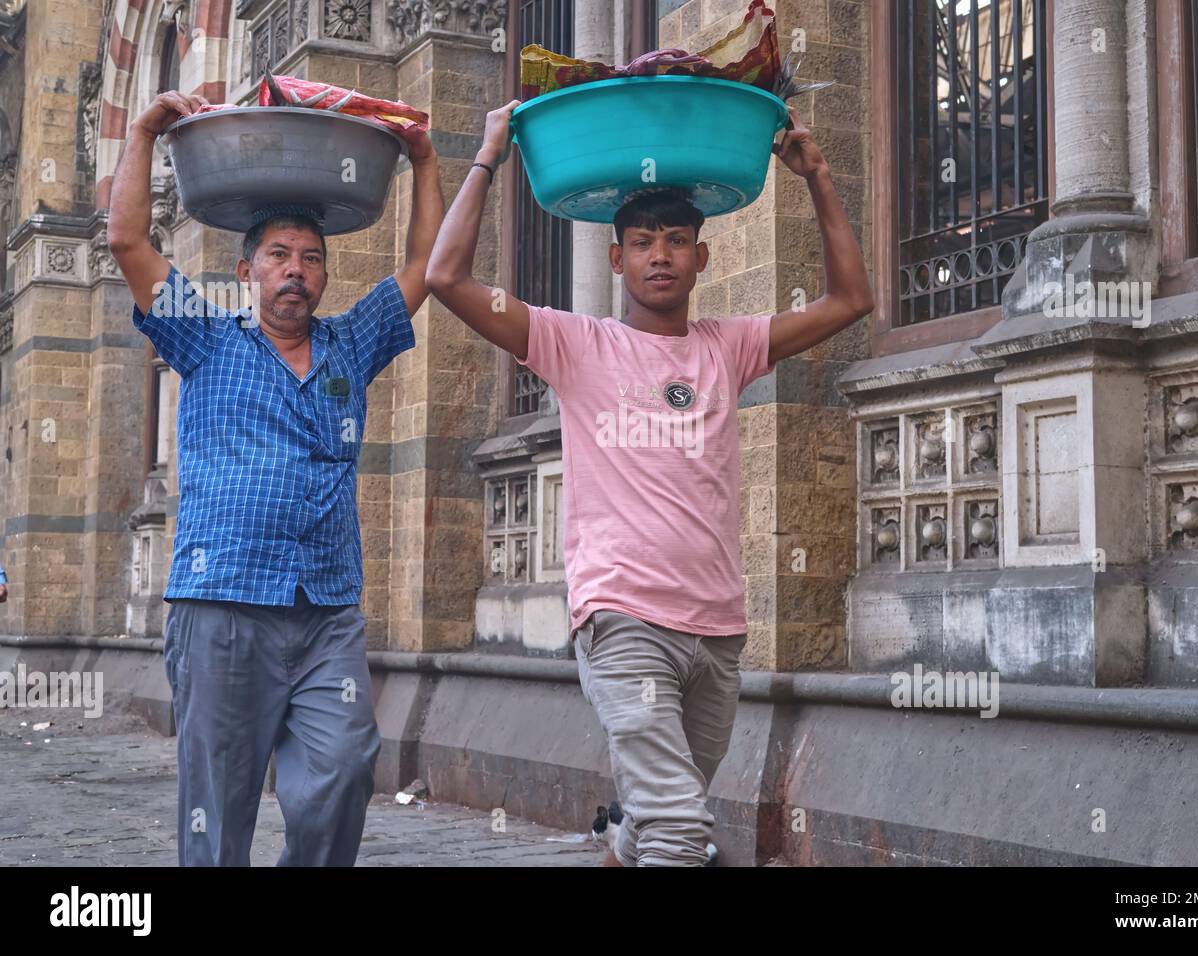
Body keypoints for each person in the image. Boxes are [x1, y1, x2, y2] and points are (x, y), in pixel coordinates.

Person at [426, 100, 873, 865]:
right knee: (679, 829)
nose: (659, 254)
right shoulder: (575, 343)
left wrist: (820, 178)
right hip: (622, 618)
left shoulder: (729, 348)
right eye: (641, 242)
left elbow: (850, 302)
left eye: (675, 240)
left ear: (702, 259)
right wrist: (488, 155)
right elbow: (445, 277)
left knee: (653, 816)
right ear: (616, 260)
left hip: (718, 629)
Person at [107, 89, 444, 866]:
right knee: (217, 811)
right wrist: (146, 129)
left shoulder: (351, 347)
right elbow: (127, 241)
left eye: (311, 258)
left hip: (325, 610)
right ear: (246, 269)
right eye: (279, 257)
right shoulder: (205, 338)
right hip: (223, 602)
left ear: (325, 275)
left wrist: (425, 159)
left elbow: (425, 265)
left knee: (342, 769)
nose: (296, 271)